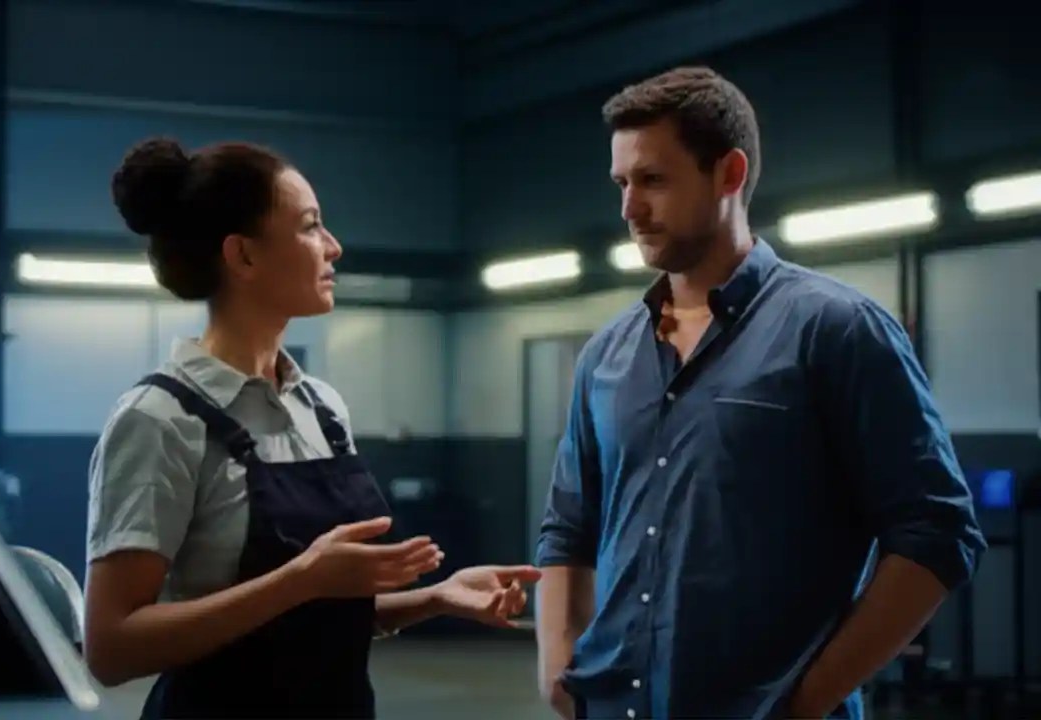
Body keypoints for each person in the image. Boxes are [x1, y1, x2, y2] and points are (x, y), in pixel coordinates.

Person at [533, 66, 986, 720]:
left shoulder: (835, 331)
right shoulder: (606, 356)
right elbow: (567, 529)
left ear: (729, 174)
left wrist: (803, 701)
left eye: (653, 181)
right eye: (622, 183)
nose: (629, 209)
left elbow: (937, 533)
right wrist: (557, 666)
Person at [84, 137, 541, 719]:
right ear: (244, 256)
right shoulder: (158, 420)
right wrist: (298, 579)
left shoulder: (321, 407)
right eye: (310, 226)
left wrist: (433, 599)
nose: (334, 246)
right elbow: (113, 646)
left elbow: (319, 614)